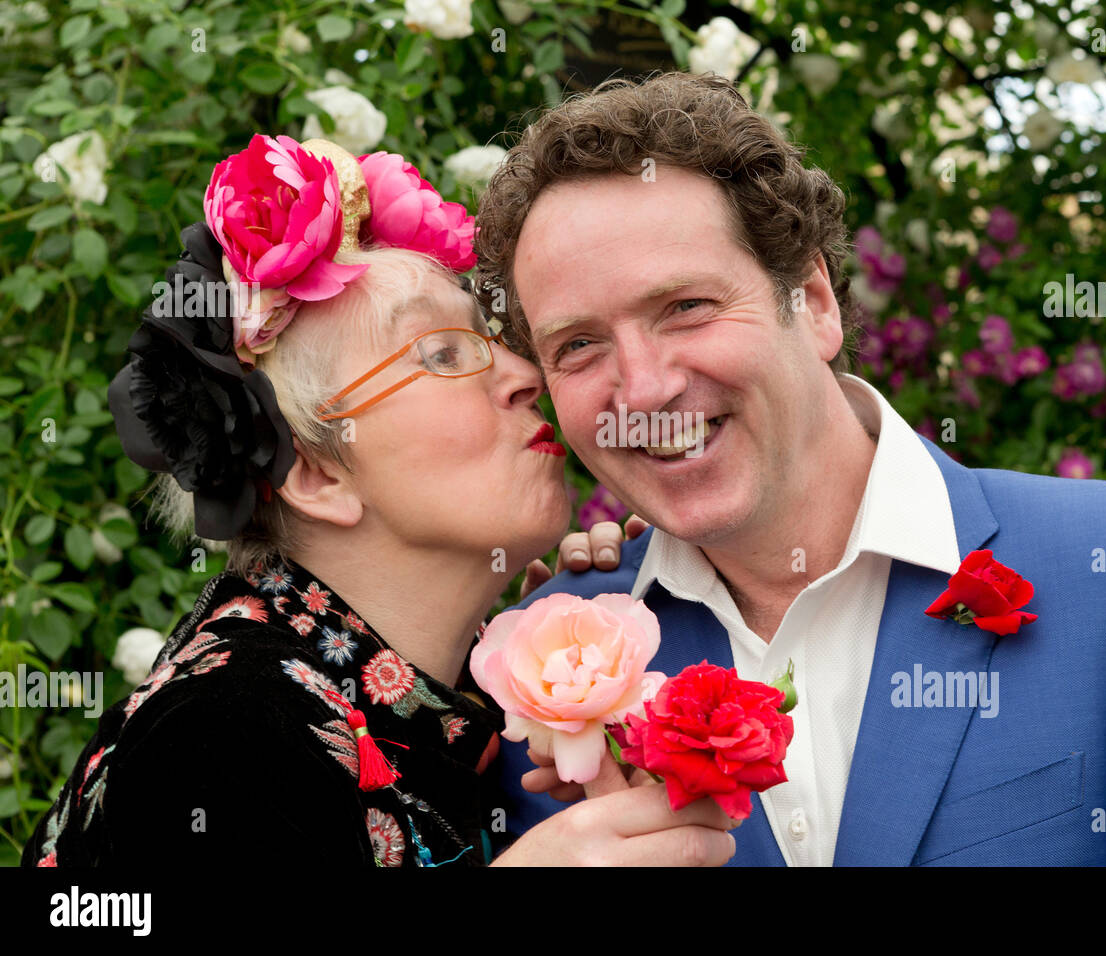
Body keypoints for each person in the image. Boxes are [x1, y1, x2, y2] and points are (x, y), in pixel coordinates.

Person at [473, 72, 1106, 865]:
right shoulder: (546, 673)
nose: (645, 388)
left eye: (686, 307)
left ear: (816, 302)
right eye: (577, 345)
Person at [21, 133, 737, 868]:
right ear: (318, 475)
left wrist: (557, 643)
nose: (526, 373)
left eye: (490, 339)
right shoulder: (227, 732)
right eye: (444, 354)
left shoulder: (445, 706)